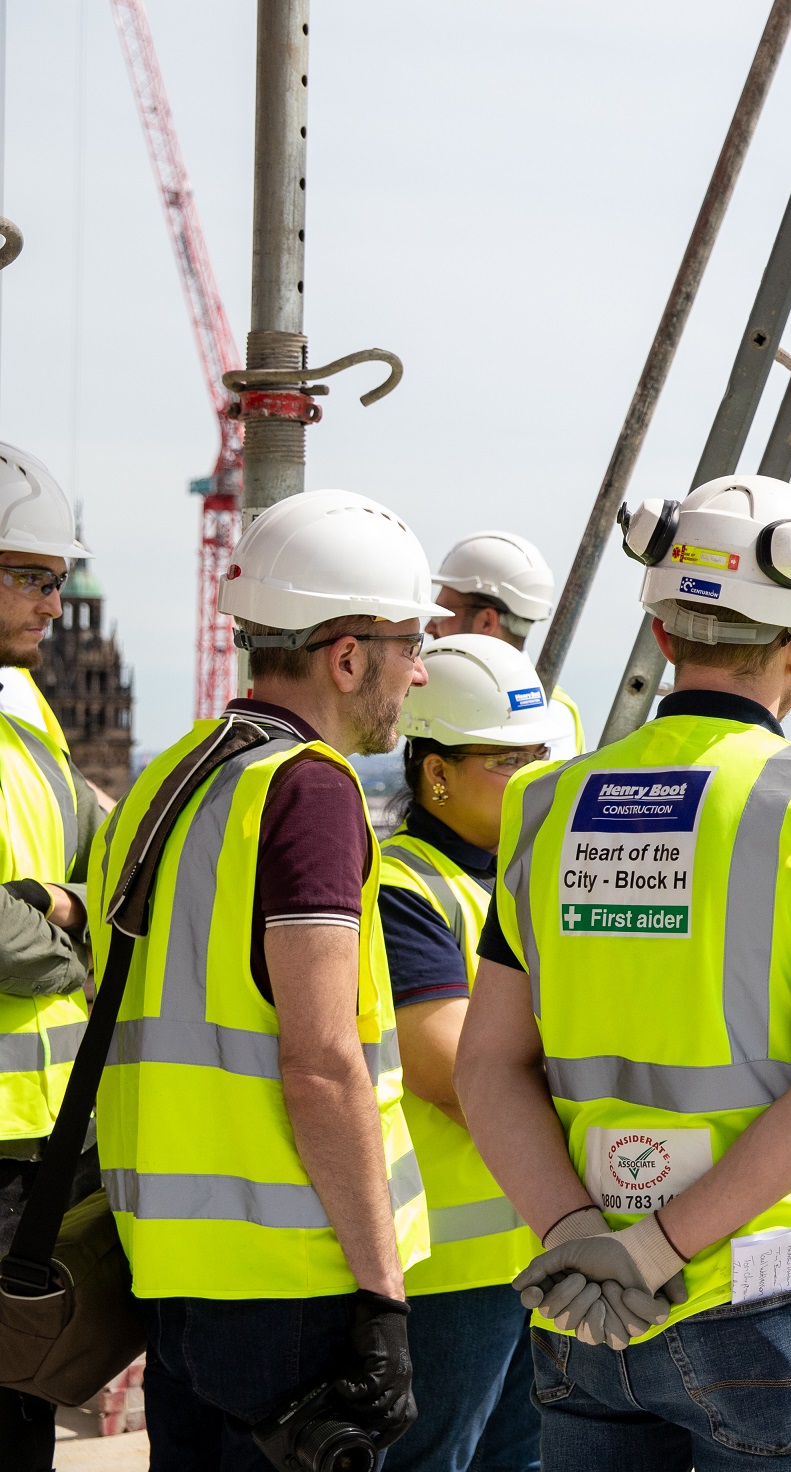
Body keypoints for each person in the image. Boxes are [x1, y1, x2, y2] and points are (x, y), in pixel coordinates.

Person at [457, 473, 791, 1471]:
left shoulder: (548, 802)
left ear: (662, 635)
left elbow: (485, 1063)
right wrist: (654, 1251)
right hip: (769, 1297)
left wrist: (584, 1235)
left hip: (587, 1306)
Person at [96, 488, 439, 1466]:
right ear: (344, 652)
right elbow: (324, 1060)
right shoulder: (310, 791)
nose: (417, 672)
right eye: (407, 644)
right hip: (295, 1278)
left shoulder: (170, 777)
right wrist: (382, 1294)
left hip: (174, 1272)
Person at [381, 633, 565, 1471]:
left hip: (541, 1244)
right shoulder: (402, 888)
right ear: (436, 771)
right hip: (451, 1272)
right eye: (506, 760)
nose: (531, 777)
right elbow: (445, 1064)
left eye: (538, 757)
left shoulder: (519, 883)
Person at [0, 445, 109, 1469]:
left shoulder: (25, 704)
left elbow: (107, 860)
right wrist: (63, 939)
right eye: (32, 575)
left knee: (20, 1400)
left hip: (38, 1141)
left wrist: (60, 902)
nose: (53, 599)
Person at [429, 530, 588, 761]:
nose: (429, 627)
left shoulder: (543, 712)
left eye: (442, 614)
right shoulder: (462, 693)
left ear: (486, 621)